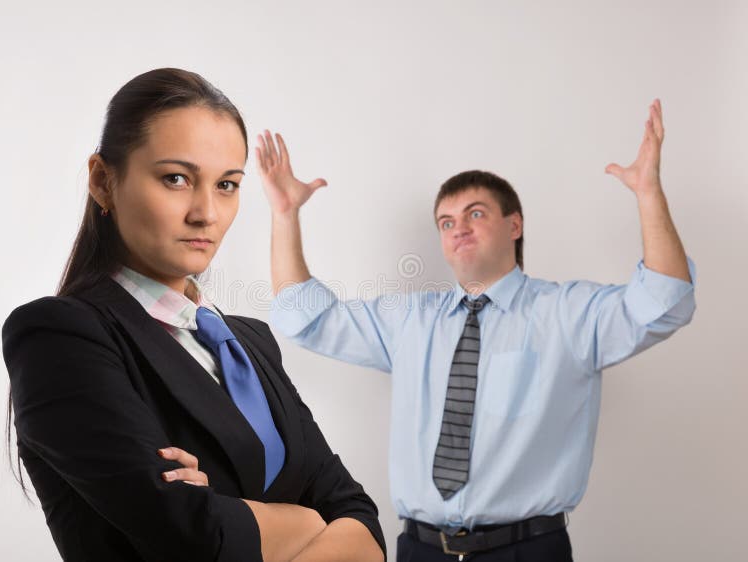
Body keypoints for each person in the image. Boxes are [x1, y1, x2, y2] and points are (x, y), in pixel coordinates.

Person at [260, 99, 695, 561]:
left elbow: (665, 301)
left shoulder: (569, 314)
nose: (458, 228)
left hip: (527, 550)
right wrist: (285, 214)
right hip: (420, 549)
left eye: (476, 214)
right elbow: (305, 317)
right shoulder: (411, 321)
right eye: (446, 222)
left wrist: (648, 192)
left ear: (515, 225)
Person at [2, 68, 385, 562]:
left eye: (227, 184)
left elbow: (362, 521)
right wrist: (308, 520)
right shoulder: (59, 337)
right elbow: (193, 538)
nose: (206, 212)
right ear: (103, 181)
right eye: (176, 179)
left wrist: (238, 513)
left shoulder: (250, 341)